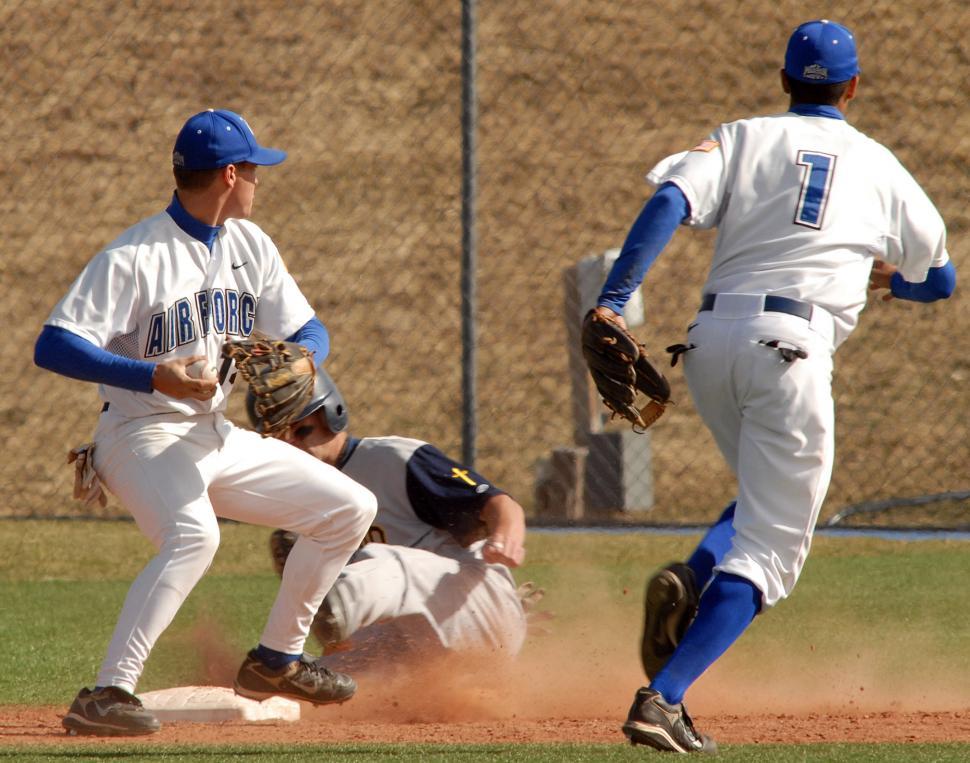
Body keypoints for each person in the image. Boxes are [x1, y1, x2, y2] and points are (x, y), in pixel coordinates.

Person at [593, 21, 956, 754]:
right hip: (791, 349)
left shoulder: (741, 136)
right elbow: (939, 279)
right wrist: (895, 284)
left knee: (761, 501)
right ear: (852, 87)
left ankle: (695, 577)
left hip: (709, 343)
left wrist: (612, 297)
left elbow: (670, 200)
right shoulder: (879, 164)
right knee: (771, 548)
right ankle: (664, 698)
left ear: (785, 80)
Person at [34, 109, 378, 737]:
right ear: (227, 174)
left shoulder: (251, 244)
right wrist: (153, 376)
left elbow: (308, 329)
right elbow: (54, 345)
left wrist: (302, 360)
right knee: (194, 536)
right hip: (140, 433)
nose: (258, 181)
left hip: (213, 436)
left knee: (350, 508)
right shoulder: (134, 256)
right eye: (253, 169)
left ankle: (276, 660)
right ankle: (107, 691)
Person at [249, 369, 535, 673]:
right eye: (280, 438)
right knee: (316, 681)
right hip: (412, 641)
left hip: (473, 605)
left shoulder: (393, 459)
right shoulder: (302, 498)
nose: (292, 444)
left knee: (385, 561)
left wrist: (506, 537)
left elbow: (499, 503)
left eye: (302, 430)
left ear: (332, 414)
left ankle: (340, 603)